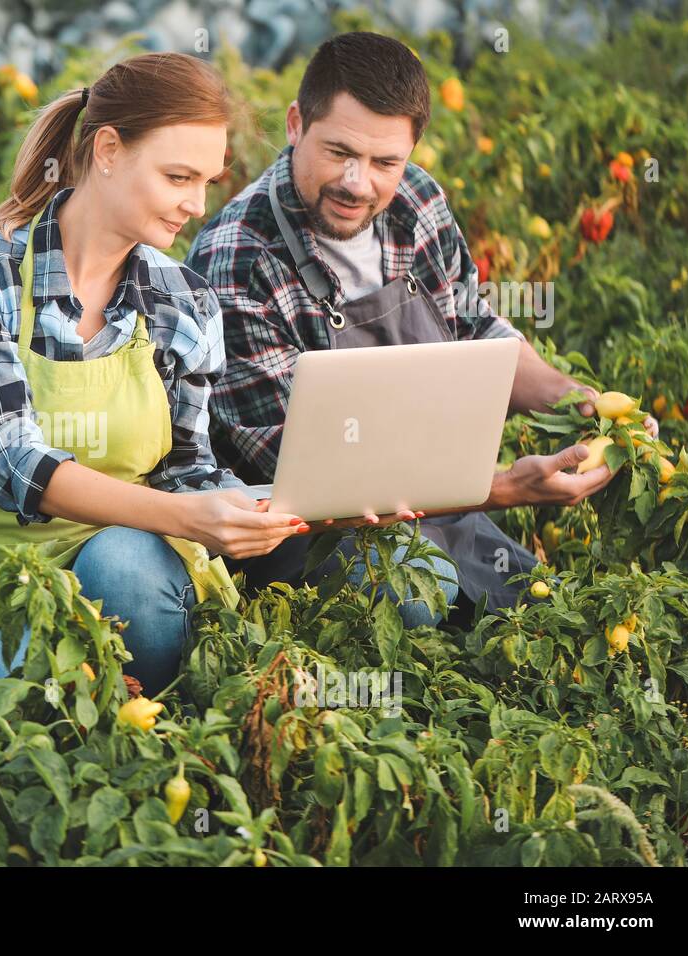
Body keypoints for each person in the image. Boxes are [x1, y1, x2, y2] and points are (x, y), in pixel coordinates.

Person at [0, 53, 381, 699]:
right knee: (15, 703)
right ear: (107, 149)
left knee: (389, 567)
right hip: (9, 587)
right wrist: (188, 517)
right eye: (177, 177)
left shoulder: (182, 299)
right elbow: (12, 461)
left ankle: (161, 723)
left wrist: (297, 508)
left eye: (208, 182)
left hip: (143, 563)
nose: (196, 204)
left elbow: (186, 470)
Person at [186, 31, 659, 619]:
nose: (358, 183)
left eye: (385, 161)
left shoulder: (415, 201)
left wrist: (575, 400)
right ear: (294, 125)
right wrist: (510, 486)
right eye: (339, 152)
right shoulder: (237, 260)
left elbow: (477, 328)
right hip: (307, 538)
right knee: (414, 597)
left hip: (448, 509)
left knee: (554, 616)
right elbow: (311, 481)